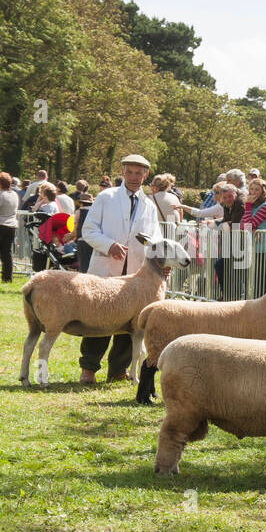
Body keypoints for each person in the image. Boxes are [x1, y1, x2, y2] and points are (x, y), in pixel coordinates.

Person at [78, 153, 162, 382]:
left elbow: (155, 241)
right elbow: (89, 230)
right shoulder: (106, 197)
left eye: (139, 173)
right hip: (106, 271)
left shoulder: (149, 206)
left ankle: (118, 370)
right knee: (98, 319)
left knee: (131, 322)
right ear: (123, 172)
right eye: (130, 172)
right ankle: (88, 368)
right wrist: (109, 245)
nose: (134, 177)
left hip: (136, 274)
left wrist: (160, 263)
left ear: (146, 175)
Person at [0, 173, 19, 282]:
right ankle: (7, 278)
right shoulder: (14, 194)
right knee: (6, 254)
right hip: (11, 226)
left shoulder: (0, 195)